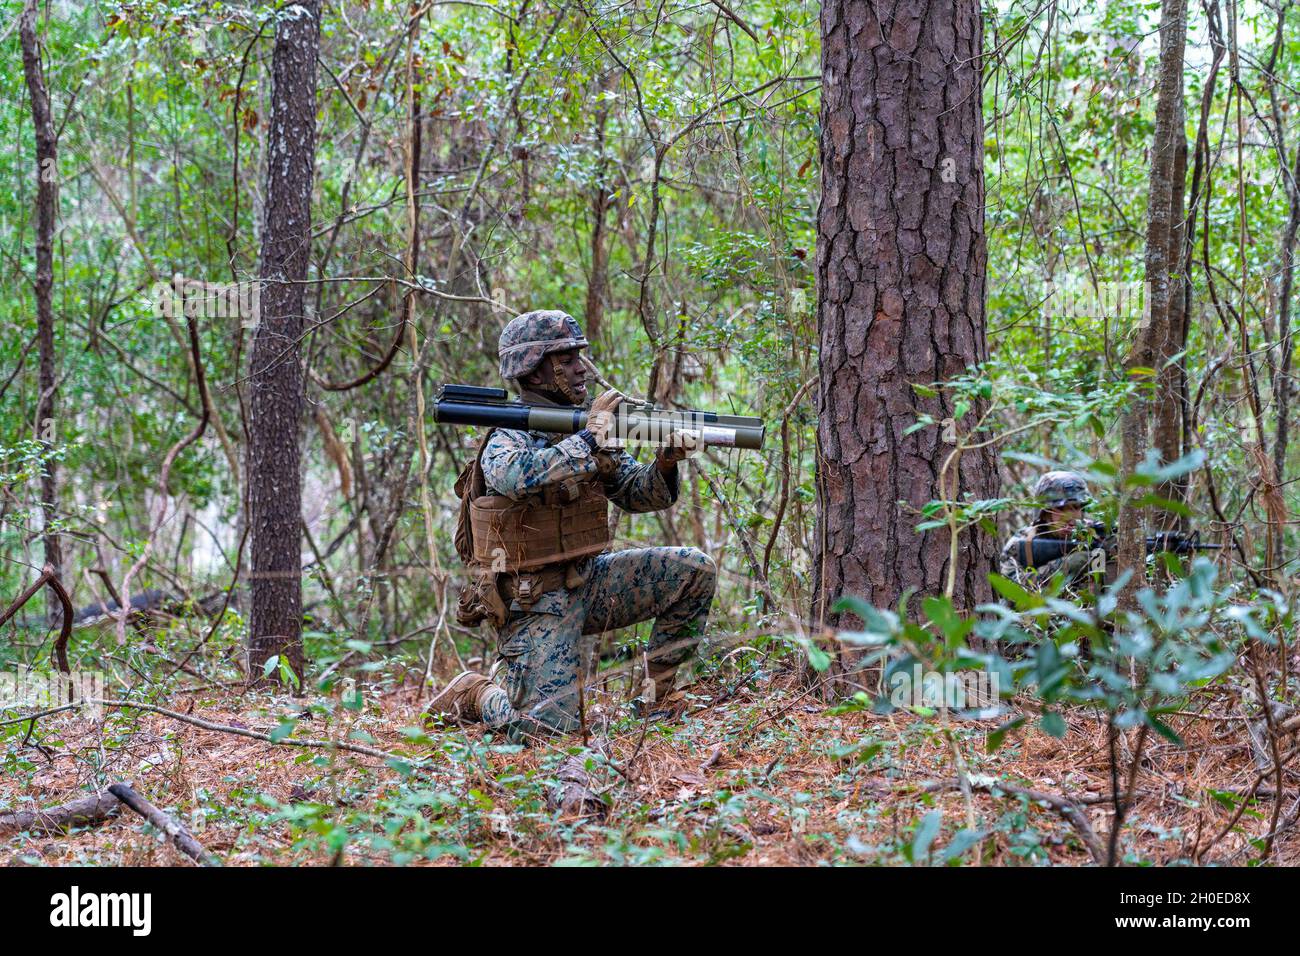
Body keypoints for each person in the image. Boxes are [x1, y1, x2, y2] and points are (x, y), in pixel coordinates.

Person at [427, 309, 717, 743]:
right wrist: (589, 439)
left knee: (694, 570)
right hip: (534, 601)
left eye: (578, 357)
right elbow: (519, 477)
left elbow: (639, 494)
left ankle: (652, 703)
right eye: (566, 359)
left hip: (588, 581)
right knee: (545, 734)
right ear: (534, 370)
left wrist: (665, 462)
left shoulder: (585, 427)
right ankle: (478, 694)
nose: (581, 368)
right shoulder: (508, 433)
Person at [999, 470, 1108, 594]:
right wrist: (1064, 567)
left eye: (1076, 507)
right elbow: (1008, 592)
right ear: (1044, 513)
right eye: (1061, 508)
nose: (1070, 517)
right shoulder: (1022, 544)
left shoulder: (1095, 532)